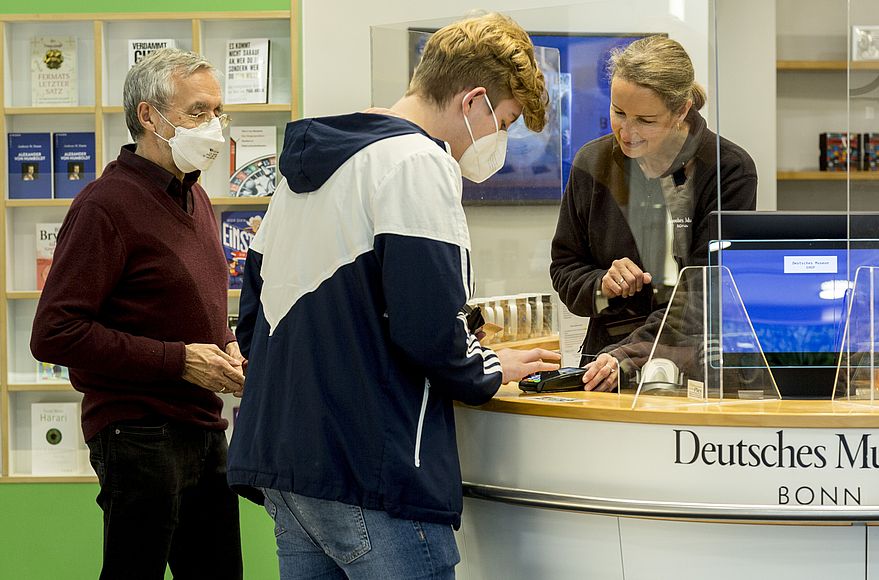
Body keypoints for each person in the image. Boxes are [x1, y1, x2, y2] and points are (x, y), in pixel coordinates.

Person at [226, 12, 559, 580]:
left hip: (285, 462)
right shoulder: (417, 163)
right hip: (370, 468)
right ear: (473, 102)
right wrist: (487, 367)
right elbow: (429, 330)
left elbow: (253, 321)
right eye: (503, 122)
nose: (499, 141)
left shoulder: (308, 168)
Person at [29, 48, 245, 580]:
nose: (213, 127)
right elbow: (54, 333)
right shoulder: (106, 205)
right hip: (140, 436)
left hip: (202, 427)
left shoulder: (196, 198)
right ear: (149, 117)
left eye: (218, 112)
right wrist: (178, 361)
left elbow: (185, 304)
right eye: (198, 113)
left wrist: (226, 343)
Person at [550, 36, 757, 391]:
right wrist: (601, 283)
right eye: (618, 113)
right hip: (603, 371)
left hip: (689, 373)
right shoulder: (592, 163)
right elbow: (565, 269)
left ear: (681, 111)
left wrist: (628, 355)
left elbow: (703, 294)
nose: (626, 133)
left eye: (645, 120)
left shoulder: (728, 170)